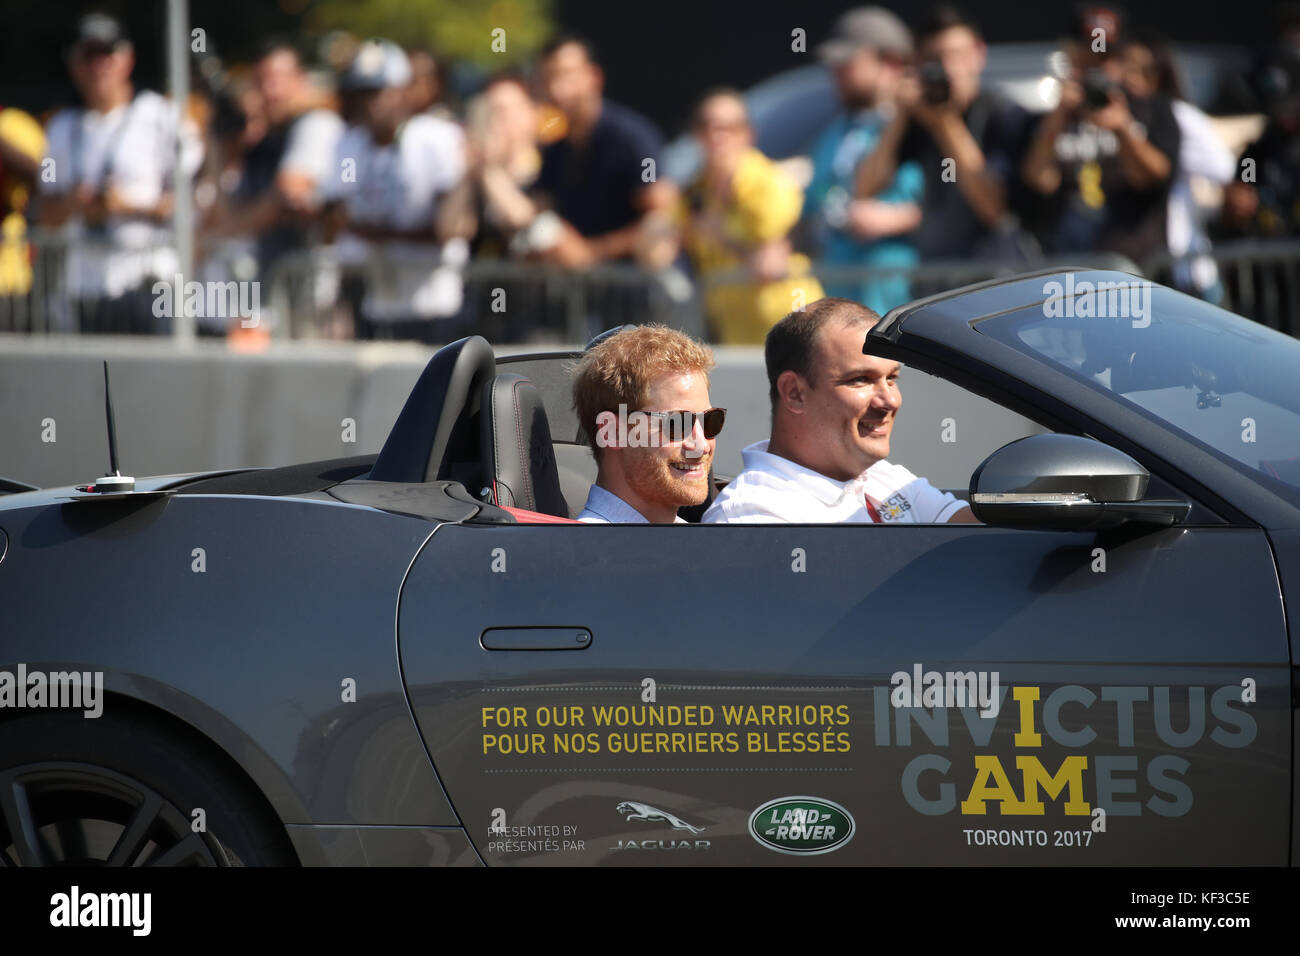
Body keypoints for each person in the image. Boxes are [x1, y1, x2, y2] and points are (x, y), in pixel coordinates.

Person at [703, 297, 976, 524]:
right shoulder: (753, 515)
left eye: (892, 378)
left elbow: (981, 537)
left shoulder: (882, 476)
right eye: (860, 380)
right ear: (794, 393)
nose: (889, 400)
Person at [39, 13, 203, 334]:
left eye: (107, 55)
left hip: (149, 284)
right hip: (86, 290)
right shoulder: (60, 128)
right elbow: (44, 210)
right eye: (90, 56)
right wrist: (76, 204)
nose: (99, 66)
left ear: (127, 59)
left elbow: (193, 202)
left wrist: (126, 205)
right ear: (74, 64)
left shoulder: (162, 117)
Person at [855, 4, 1034, 261]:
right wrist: (901, 117)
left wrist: (943, 122)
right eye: (936, 59)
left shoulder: (1003, 114)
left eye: (958, 55)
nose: (949, 69)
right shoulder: (918, 119)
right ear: (919, 63)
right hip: (936, 281)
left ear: (979, 54)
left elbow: (994, 208)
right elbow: (865, 188)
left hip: (996, 281)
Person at [321, 39, 467, 342]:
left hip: (432, 300)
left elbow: (450, 225)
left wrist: (379, 235)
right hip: (374, 299)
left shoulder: (437, 137)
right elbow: (336, 216)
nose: (372, 103)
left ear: (402, 90)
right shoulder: (349, 142)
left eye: (380, 91)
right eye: (363, 93)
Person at [1019, 7, 1180, 265]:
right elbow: (1039, 178)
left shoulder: (1150, 110)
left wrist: (1123, 129)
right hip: (1064, 273)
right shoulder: (1052, 117)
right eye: (1088, 59)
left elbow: (1154, 176)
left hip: (1132, 272)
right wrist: (1059, 115)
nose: (1097, 71)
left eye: (1106, 60)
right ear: (1071, 58)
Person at [670, 89, 825, 344]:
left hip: (789, 323)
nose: (717, 136)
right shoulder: (693, 192)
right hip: (733, 330)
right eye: (707, 127)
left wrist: (719, 234)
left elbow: (766, 259)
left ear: (747, 133)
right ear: (696, 135)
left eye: (729, 128)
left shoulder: (770, 182)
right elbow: (664, 237)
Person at [515, 35, 675, 269]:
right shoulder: (555, 150)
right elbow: (538, 211)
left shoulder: (633, 139)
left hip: (636, 293)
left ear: (594, 77)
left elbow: (662, 219)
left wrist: (592, 251)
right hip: (584, 296)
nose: (556, 88)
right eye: (547, 78)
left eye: (566, 74)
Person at [804, 7, 922, 316]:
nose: (836, 74)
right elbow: (813, 203)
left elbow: (952, 209)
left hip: (904, 304)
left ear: (891, 63)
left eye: (848, 63)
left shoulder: (923, 126)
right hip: (842, 302)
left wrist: (894, 217)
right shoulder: (833, 133)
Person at [1122, 32, 1234, 301]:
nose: (1130, 78)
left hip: (1184, 268)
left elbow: (1223, 166)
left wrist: (1168, 159)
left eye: (1140, 70)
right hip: (1139, 261)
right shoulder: (1121, 115)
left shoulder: (1176, 114)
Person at [572, 325, 723, 523]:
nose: (701, 445)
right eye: (677, 423)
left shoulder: (703, 543)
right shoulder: (583, 549)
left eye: (711, 420)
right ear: (613, 432)